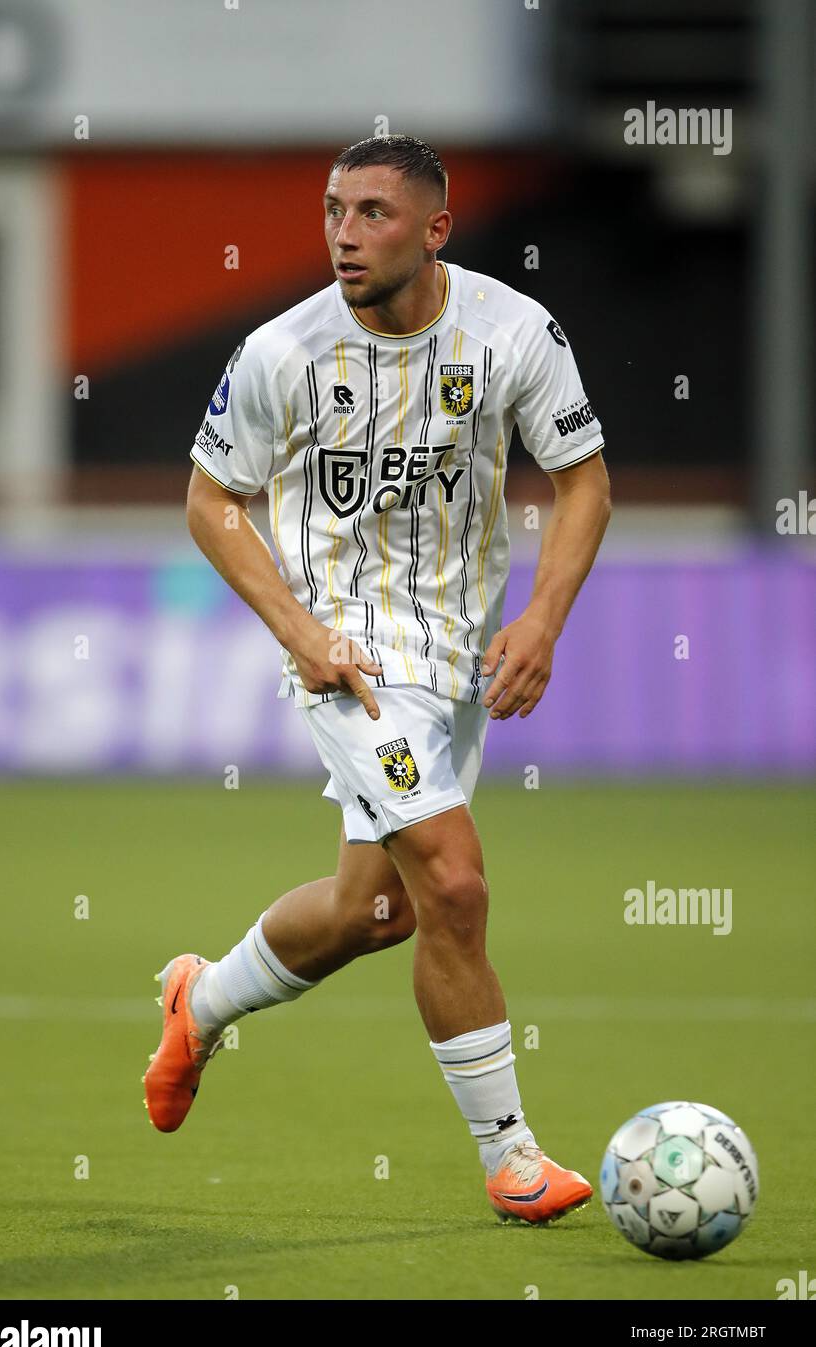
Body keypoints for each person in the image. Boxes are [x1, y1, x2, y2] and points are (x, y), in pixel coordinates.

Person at [144, 135, 611, 1224]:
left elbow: (582, 482)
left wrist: (542, 615)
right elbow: (211, 503)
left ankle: (199, 999)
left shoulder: (508, 334)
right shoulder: (281, 352)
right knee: (452, 881)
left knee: (378, 911)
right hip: (350, 659)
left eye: (371, 215)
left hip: (458, 654)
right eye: (331, 212)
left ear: (435, 230)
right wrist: (301, 634)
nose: (343, 236)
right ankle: (512, 1156)